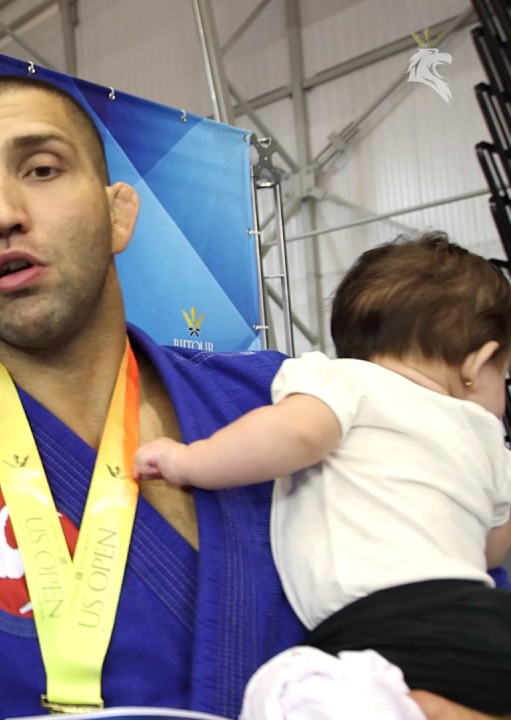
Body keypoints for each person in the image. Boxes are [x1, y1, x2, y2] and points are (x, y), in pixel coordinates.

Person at [0, 74, 506, 720]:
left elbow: (471, 602)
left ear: (119, 215)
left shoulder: (296, 401)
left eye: (42, 169)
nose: (1, 213)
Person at [134, 233, 511, 718]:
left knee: (287, 689)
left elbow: (296, 436)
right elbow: (490, 549)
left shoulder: (346, 379)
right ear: (477, 364)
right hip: (485, 623)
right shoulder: (486, 437)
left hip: (379, 630)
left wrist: (190, 461)